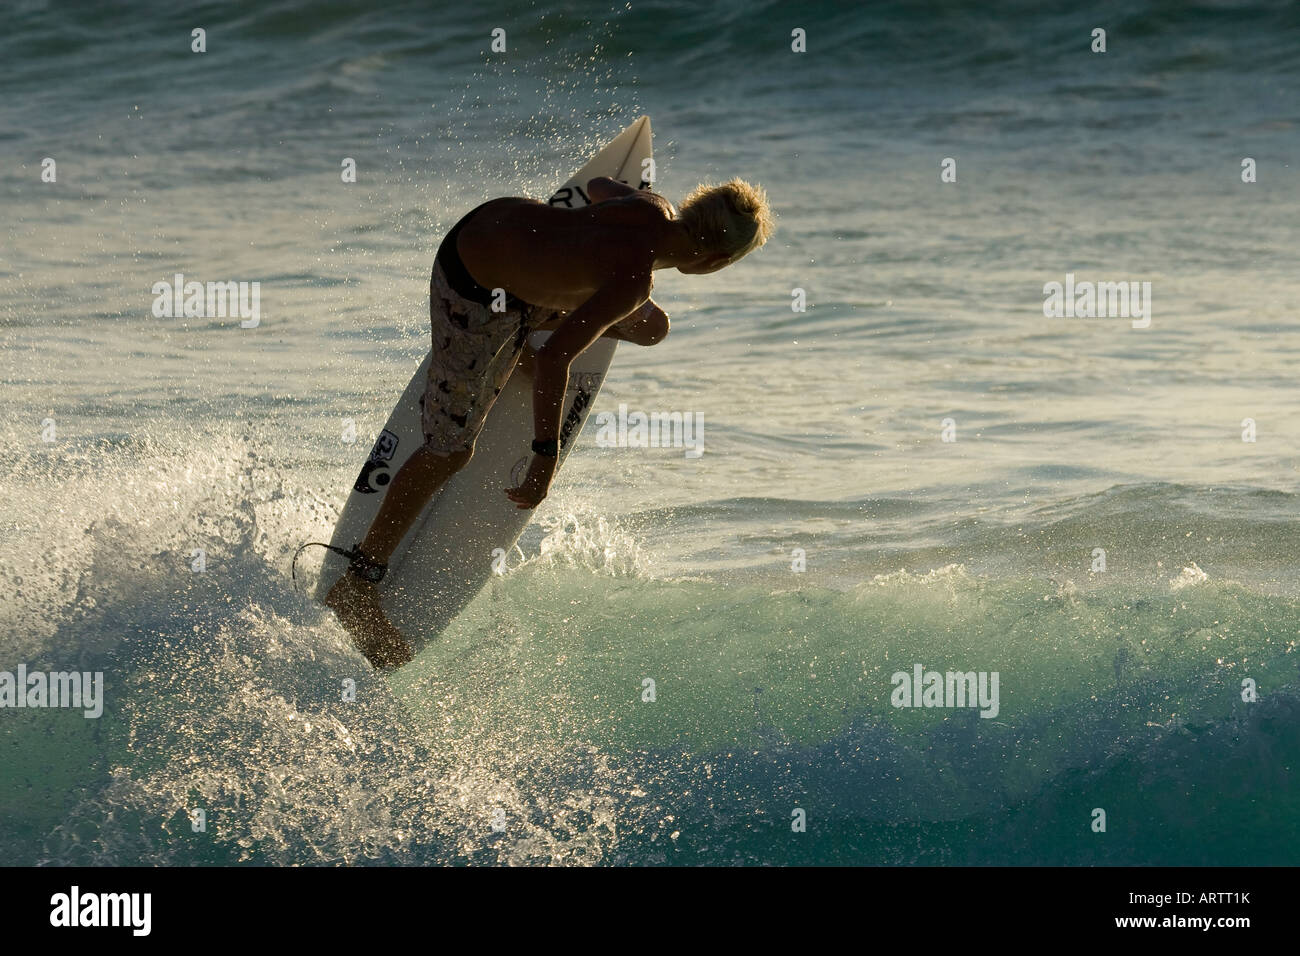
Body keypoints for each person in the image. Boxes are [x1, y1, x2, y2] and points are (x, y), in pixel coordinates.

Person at [326, 176, 774, 667]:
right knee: (449, 451)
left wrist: (595, 223)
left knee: (652, 326)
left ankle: (517, 342)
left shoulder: (651, 205)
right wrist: (545, 458)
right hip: (473, 285)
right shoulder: (631, 282)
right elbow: (559, 359)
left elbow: (602, 185)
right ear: (716, 263)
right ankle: (358, 586)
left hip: (504, 228)